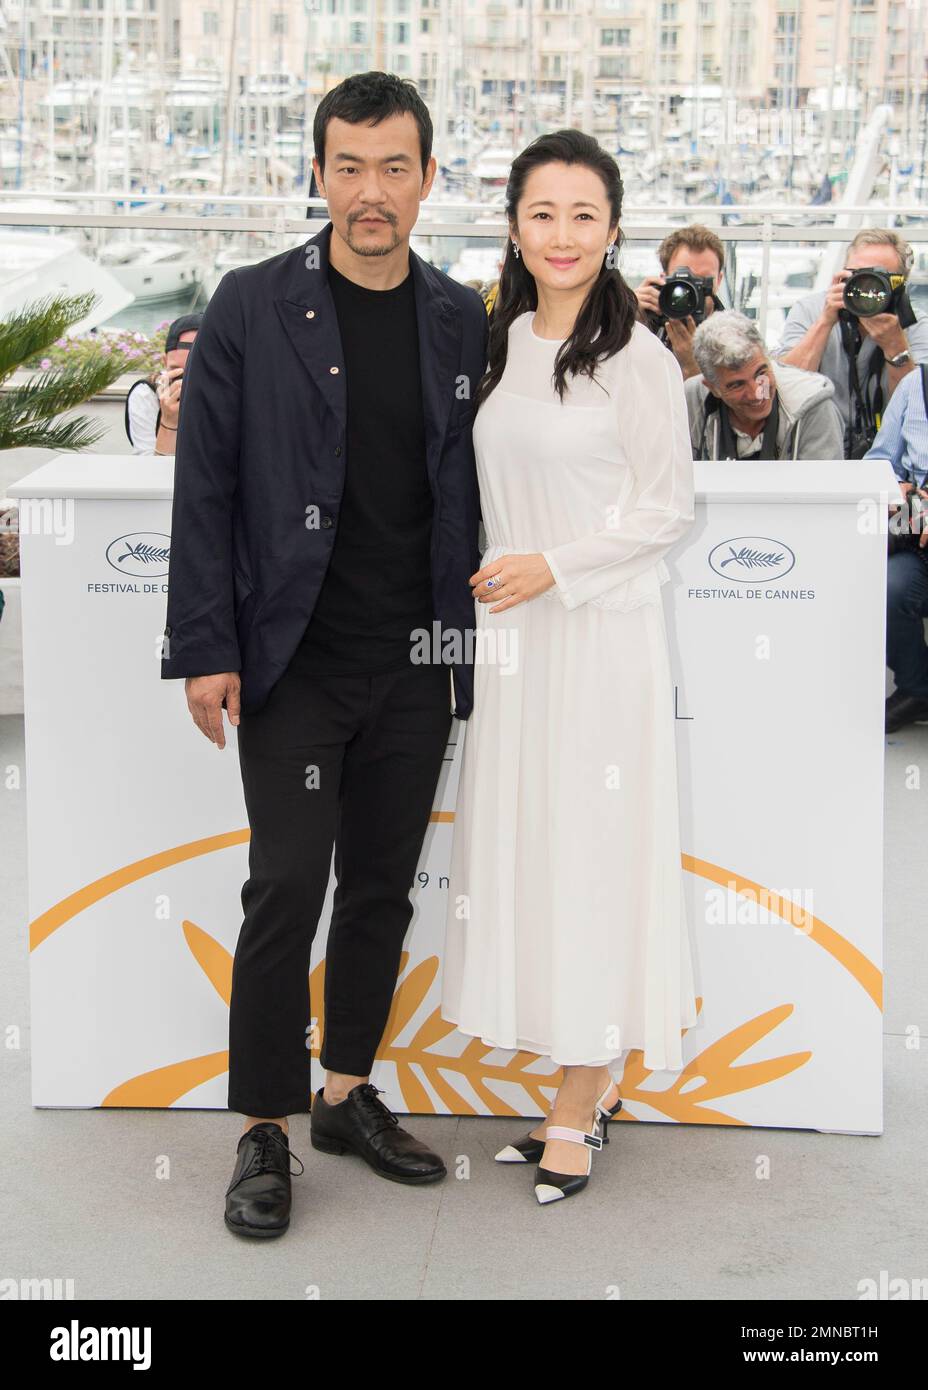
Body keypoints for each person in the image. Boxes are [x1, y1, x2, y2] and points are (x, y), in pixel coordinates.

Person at [160, 71, 488, 1238]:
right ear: (317, 173)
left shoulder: (458, 317)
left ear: (427, 179)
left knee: (383, 889)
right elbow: (205, 492)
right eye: (347, 166)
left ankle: (345, 1091)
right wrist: (204, 644)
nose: (370, 191)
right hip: (292, 660)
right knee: (287, 886)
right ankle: (262, 1125)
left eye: (393, 167)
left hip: (416, 660)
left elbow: (479, 486)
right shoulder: (249, 305)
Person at [441, 129, 698, 1206]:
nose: (561, 235)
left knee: (593, 857)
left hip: (595, 642)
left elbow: (666, 511)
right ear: (513, 225)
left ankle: (576, 1097)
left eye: (583, 215)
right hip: (515, 651)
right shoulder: (495, 344)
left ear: (612, 230)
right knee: (537, 860)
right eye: (542, 213)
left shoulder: (634, 354)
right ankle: (572, 1084)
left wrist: (552, 565)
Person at [773, 229, 928, 457]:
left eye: (879, 279)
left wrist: (896, 348)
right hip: (815, 449)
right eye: (857, 275)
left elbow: (916, 414)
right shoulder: (811, 310)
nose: (867, 288)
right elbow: (785, 391)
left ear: (900, 285)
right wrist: (825, 322)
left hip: (886, 456)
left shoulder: (913, 324)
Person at [686, 310, 844, 461]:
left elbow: (821, 487)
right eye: (737, 385)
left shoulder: (814, 405)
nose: (756, 393)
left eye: (761, 373)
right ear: (713, 387)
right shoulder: (690, 399)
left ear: (769, 359)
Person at [864, 364, 928, 732]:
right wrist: (897, 486)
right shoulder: (915, 383)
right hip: (915, 535)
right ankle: (917, 687)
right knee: (889, 586)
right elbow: (877, 461)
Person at [634, 223, 726, 380]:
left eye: (701, 281)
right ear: (664, 279)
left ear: (718, 280)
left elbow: (738, 402)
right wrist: (627, 321)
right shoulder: (648, 318)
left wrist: (693, 367)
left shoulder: (734, 336)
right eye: (683, 281)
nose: (691, 292)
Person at [125, 314, 203, 455]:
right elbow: (149, 469)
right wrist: (169, 422)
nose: (183, 383)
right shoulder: (147, 394)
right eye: (177, 372)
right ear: (165, 361)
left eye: (194, 371)